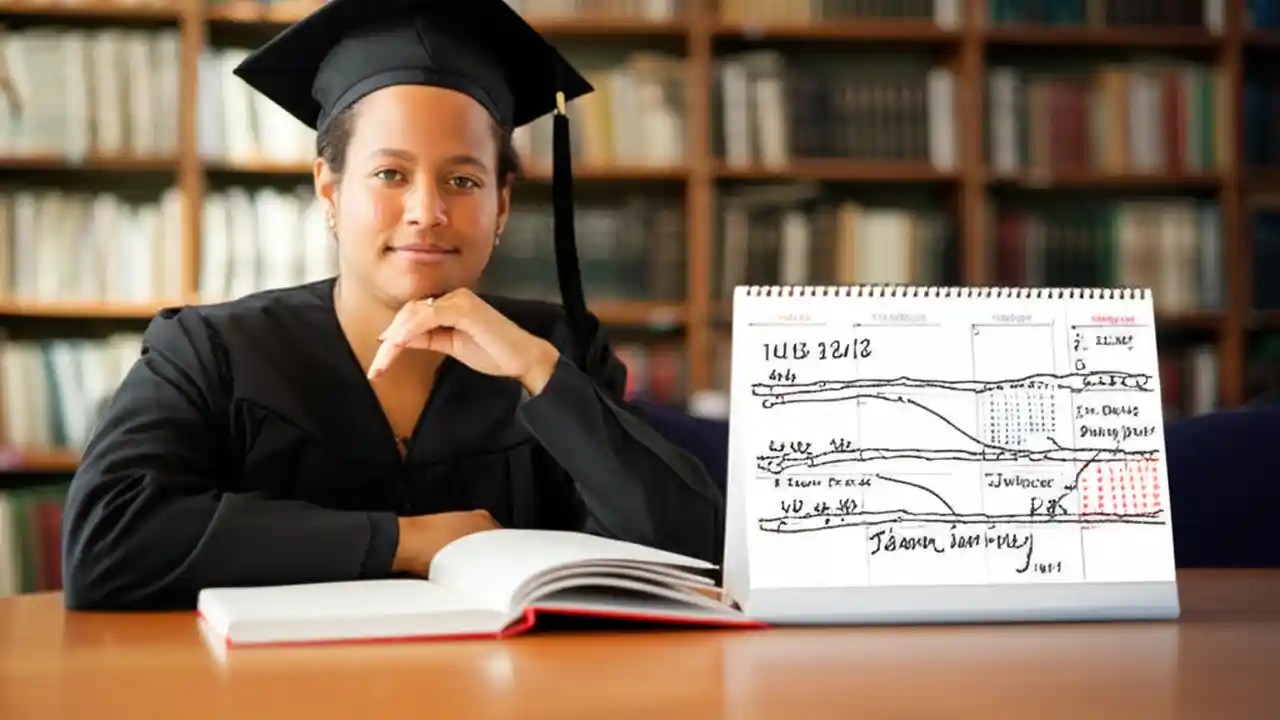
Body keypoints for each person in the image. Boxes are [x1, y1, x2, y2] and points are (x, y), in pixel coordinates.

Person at [60, 0, 723, 611]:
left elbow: (691, 554)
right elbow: (106, 544)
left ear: (502, 206)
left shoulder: (556, 350)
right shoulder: (213, 352)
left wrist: (540, 371)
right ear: (329, 189)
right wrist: (407, 542)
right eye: (390, 174)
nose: (427, 212)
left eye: (464, 180)